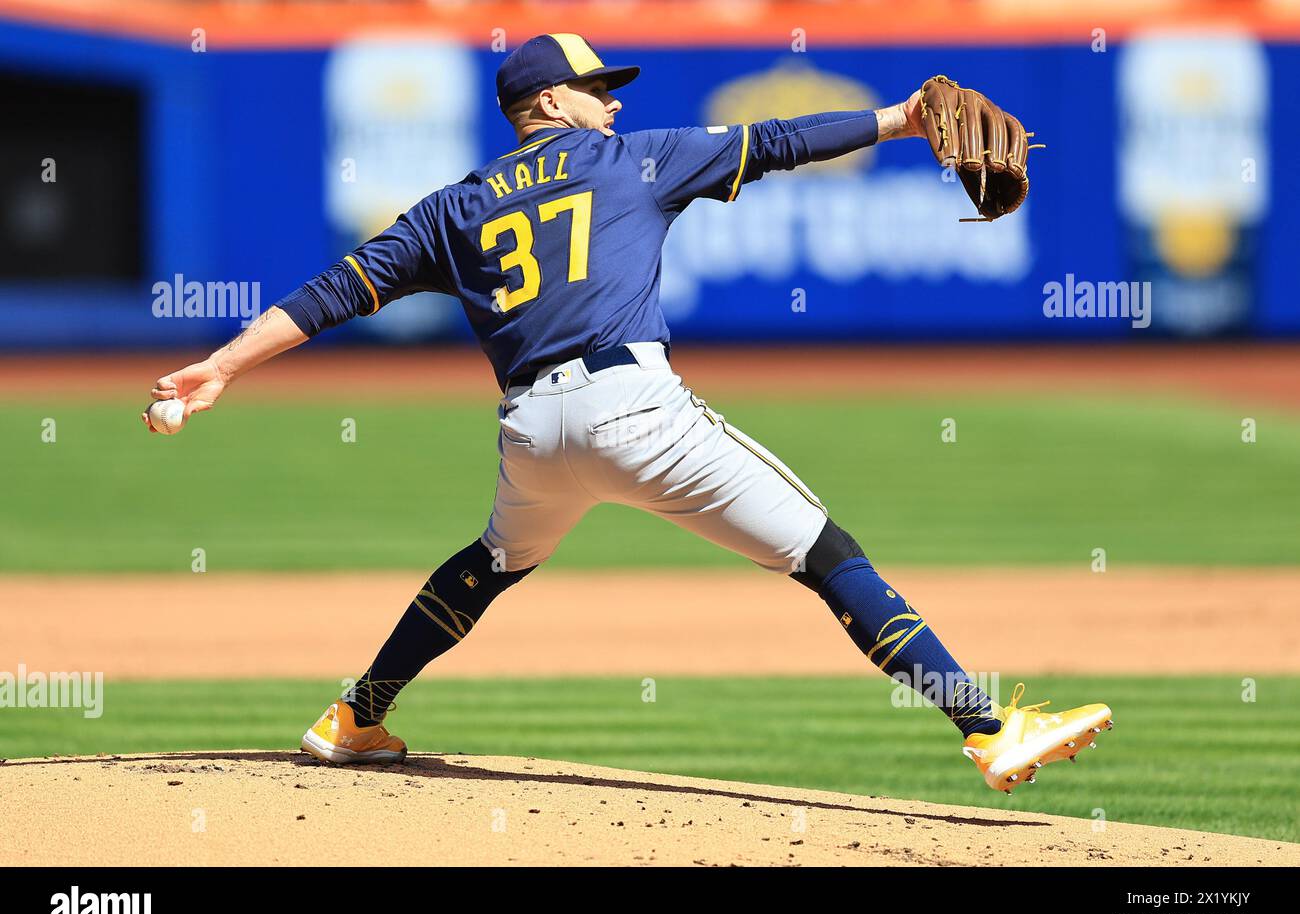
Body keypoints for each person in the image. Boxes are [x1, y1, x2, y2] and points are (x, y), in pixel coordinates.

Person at [143, 34, 1111, 793]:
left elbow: (332, 293)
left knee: (492, 559)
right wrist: (901, 117)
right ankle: (987, 728)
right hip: (635, 411)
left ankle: (355, 715)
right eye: (599, 87)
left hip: (532, 435)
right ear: (550, 103)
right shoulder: (633, 159)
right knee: (828, 552)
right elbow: (775, 144)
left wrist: (218, 367)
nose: (614, 100)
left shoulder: (454, 205)